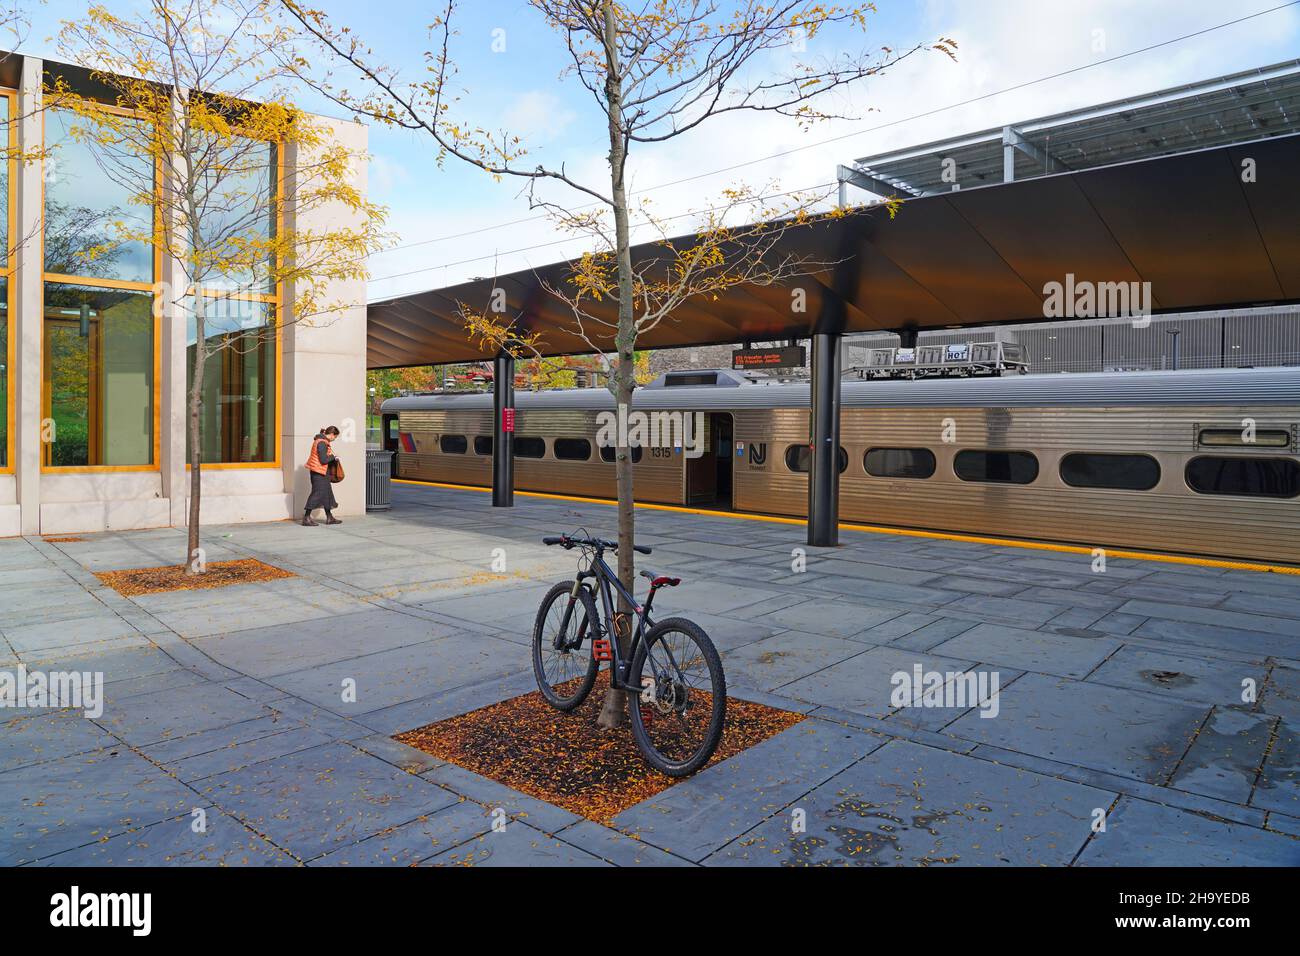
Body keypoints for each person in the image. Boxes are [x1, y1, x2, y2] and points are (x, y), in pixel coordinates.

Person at [303, 426, 342, 526]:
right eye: (335, 437)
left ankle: (329, 517)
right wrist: (334, 457)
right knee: (317, 494)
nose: (334, 439)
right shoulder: (321, 443)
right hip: (318, 473)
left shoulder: (321, 440)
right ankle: (306, 518)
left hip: (322, 473)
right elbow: (323, 460)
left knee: (327, 494)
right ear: (332, 434)